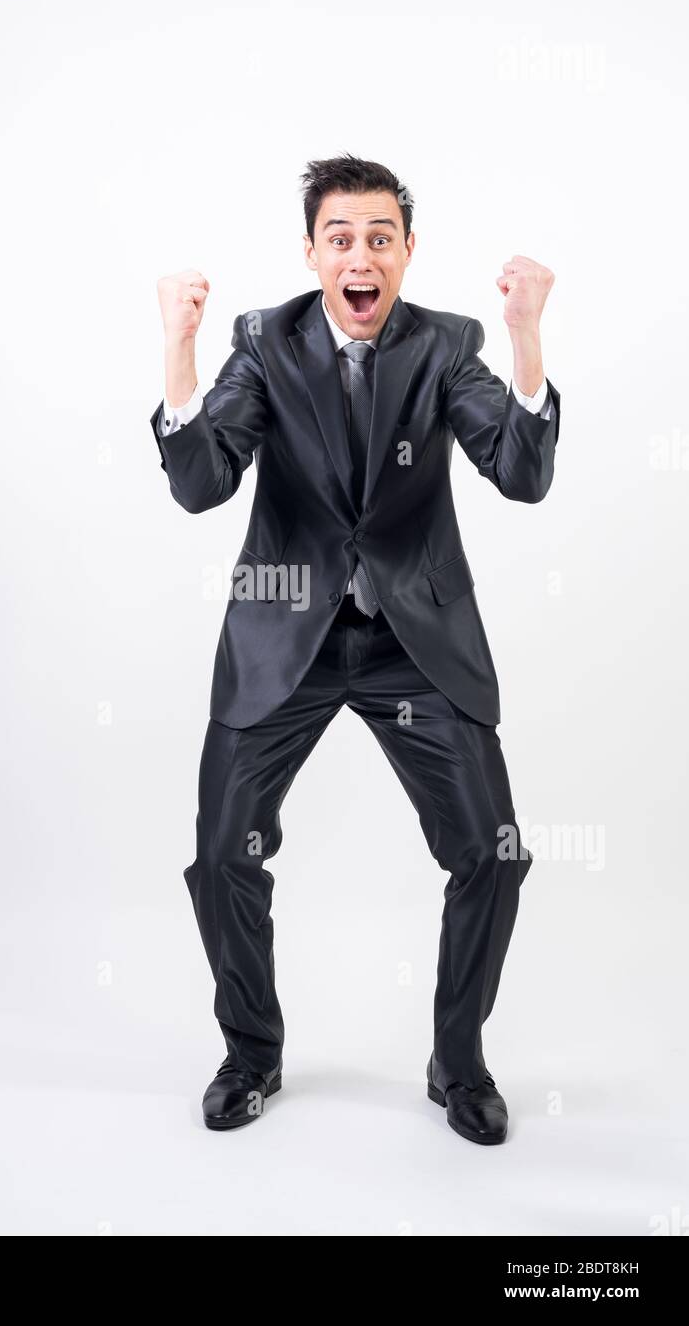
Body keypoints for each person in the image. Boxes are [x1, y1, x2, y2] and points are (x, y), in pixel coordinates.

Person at [149, 153, 559, 1145]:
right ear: (312, 252)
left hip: (410, 642)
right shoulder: (265, 342)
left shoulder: (446, 346)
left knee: (491, 853)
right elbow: (202, 483)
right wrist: (179, 348)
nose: (361, 255)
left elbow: (521, 471)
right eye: (342, 238)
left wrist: (523, 336)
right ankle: (251, 1052)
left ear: (407, 252)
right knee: (220, 850)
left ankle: (456, 1063)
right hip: (282, 636)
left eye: (381, 237)